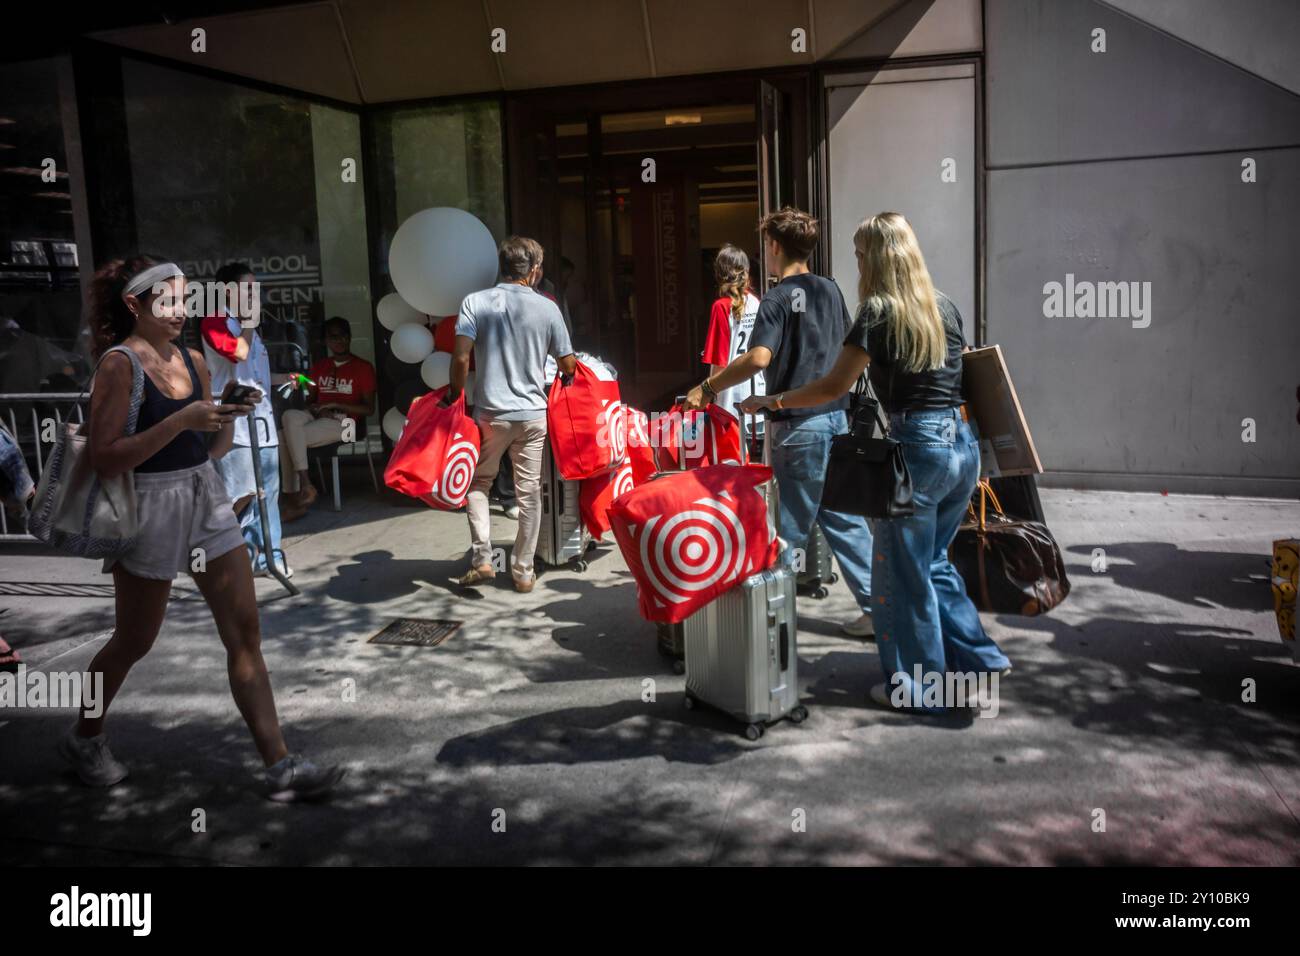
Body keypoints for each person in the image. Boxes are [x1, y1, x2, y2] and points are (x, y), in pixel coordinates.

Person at [69, 255, 342, 798]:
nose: (180, 311)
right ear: (134, 304)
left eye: (184, 300)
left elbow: (209, 449)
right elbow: (105, 458)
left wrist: (226, 418)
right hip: (148, 506)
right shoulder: (119, 365)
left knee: (245, 633)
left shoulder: (194, 360)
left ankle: (278, 765)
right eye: (167, 301)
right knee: (133, 640)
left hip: (205, 496)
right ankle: (85, 735)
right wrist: (181, 420)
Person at [741, 212, 1011, 710]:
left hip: (918, 449)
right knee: (933, 564)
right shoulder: (943, 306)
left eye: (861, 253)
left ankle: (918, 690)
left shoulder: (879, 310)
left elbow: (833, 386)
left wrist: (773, 402)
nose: (857, 262)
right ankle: (977, 657)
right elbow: (972, 371)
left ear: (877, 257)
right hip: (962, 446)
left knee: (899, 577)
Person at [686, 208, 876, 638]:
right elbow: (845, 348)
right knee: (842, 519)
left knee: (787, 530)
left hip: (798, 426)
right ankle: (878, 609)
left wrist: (710, 386)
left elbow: (758, 358)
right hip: (835, 419)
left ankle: (770, 621)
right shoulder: (829, 289)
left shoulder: (775, 298)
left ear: (774, 246)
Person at [449, 236, 576, 593]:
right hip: (533, 415)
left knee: (479, 484)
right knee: (530, 493)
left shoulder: (475, 302)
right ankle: (522, 572)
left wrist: (454, 393)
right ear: (534, 270)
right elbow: (567, 363)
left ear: (501, 266)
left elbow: (460, 358)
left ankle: (484, 559)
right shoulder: (547, 307)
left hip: (490, 413)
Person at [200, 262, 290, 577]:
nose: (254, 294)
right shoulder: (215, 321)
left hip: (263, 425)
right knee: (239, 495)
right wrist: (250, 323)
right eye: (247, 288)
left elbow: (255, 374)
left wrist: (288, 378)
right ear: (227, 291)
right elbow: (237, 353)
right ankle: (222, 555)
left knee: (267, 496)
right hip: (235, 428)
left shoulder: (249, 328)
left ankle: (267, 557)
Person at [279, 316, 376, 521]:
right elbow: (311, 402)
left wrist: (337, 406)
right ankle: (305, 486)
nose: (339, 340)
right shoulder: (320, 367)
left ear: (350, 338)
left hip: (349, 423)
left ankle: (295, 496)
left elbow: (369, 409)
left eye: (344, 335)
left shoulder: (363, 367)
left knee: (285, 437)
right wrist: (318, 410)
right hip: (320, 418)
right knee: (288, 417)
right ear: (326, 341)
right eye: (333, 337)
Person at [701, 244, 766, 437]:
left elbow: (719, 360)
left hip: (729, 402)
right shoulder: (757, 303)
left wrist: (708, 392)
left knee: (731, 464)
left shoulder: (721, 307)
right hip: (756, 395)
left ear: (719, 274)